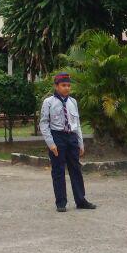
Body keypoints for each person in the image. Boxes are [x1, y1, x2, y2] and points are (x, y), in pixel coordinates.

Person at [39, 73, 94, 212]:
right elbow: (44, 123)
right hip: (57, 137)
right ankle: (61, 202)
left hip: (72, 137)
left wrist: (80, 143)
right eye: (63, 85)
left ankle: (81, 200)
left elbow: (77, 124)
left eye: (69, 85)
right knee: (58, 170)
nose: (67, 88)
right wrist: (51, 143)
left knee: (76, 169)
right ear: (56, 86)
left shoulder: (73, 102)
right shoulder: (49, 102)